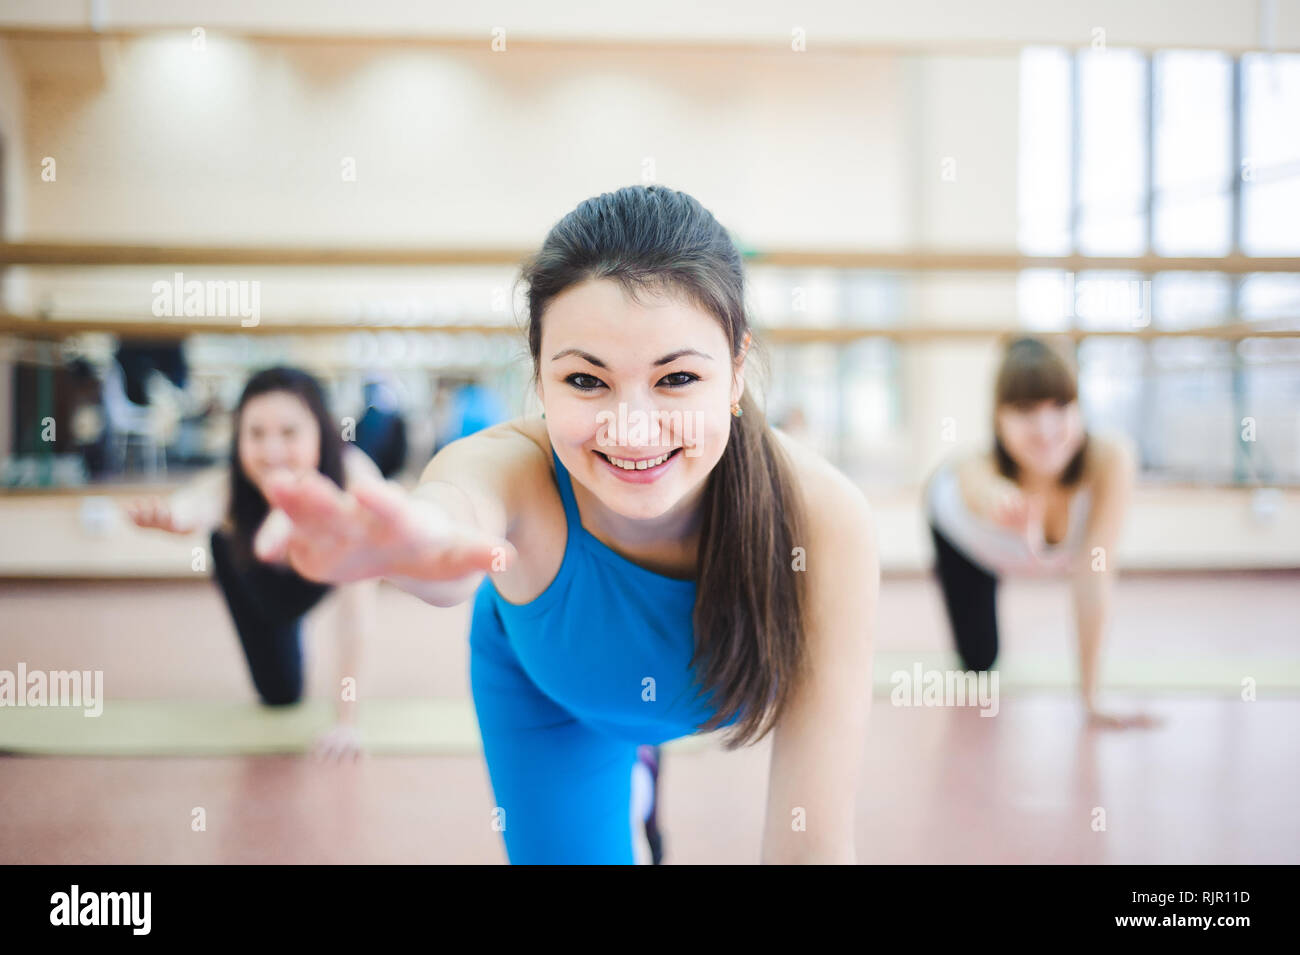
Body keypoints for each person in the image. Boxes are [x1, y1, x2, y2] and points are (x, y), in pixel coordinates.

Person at [260, 184, 878, 864]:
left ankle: (634, 768)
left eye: (675, 379)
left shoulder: (822, 519)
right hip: (549, 689)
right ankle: (628, 772)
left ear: (735, 373)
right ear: (540, 378)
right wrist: (418, 543)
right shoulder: (514, 468)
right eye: (587, 381)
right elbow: (456, 505)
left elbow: (812, 846)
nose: (633, 428)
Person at [126, 365, 382, 759]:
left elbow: (356, 615)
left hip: (312, 579)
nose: (272, 451)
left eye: (289, 433)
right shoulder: (233, 485)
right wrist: (173, 518)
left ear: (321, 431)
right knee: (279, 695)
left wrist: (346, 723)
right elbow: (198, 503)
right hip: (257, 587)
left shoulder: (354, 481)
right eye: (256, 434)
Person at [924, 335, 1160, 731]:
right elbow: (979, 488)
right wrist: (1003, 504)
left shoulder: (1111, 460)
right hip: (964, 540)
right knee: (980, 663)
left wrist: (1091, 698)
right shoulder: (974, 466)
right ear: (998, 419)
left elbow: (1093, 575)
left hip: (1019, 546)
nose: (1046, 427)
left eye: (1061, 406)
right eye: (1026, 410)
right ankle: (983, 579)